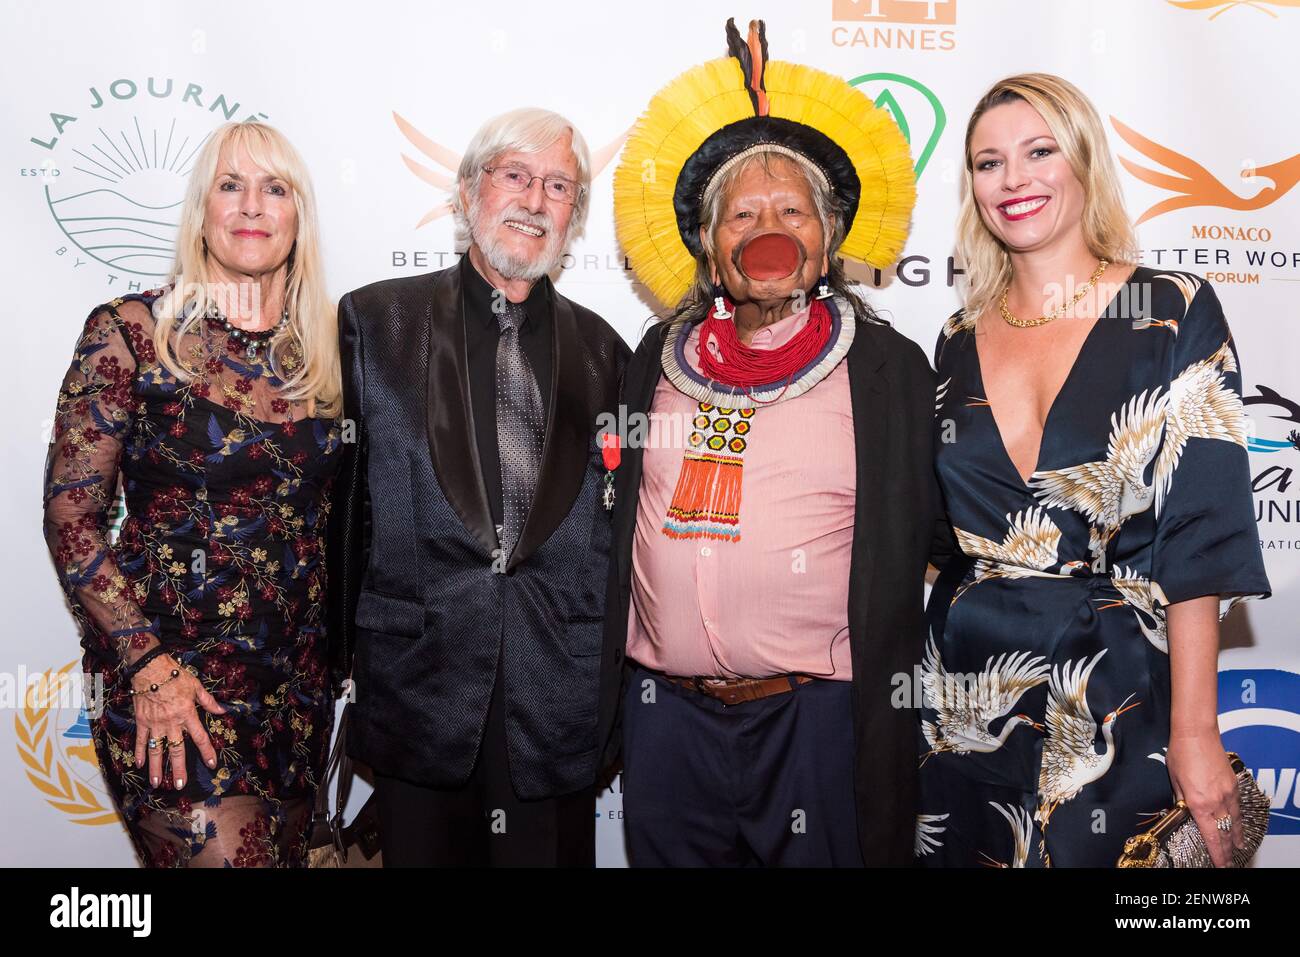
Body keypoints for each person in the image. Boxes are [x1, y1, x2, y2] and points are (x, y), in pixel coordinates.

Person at [606, 18, 947, 866]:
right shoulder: (655, 358)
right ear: (710, 248)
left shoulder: (886, 369)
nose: (769, 230)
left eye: (793, 210)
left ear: (828, 239)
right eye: (744, 214)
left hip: (818, 721)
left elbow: (938, 534)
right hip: (665, 719)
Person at [918, 73, 1271, 867]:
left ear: (1081, 160)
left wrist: (1195, 729)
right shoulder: (955, 336)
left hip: (1121, 688)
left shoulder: (1172, 308)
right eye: (988, 163)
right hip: (968, 694)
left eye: (1038, 151)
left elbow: (1201, 532)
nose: (1013, 180)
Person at [328, 107, 629, 867]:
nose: (535, 199)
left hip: (554, 699)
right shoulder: (374, 322)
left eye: (558, 185)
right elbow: (341, 515)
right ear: (468, 193)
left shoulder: (609, 353)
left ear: (574, 216)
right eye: (516, 176)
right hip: (418, 688)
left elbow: (615, 540)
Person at [42, 120, 342, 867]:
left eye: (275, 189)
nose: (251, 206)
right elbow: (71, 517)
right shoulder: (133, 333)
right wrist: (146, 666)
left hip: (295, 699)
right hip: (173, 694)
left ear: (298, 215)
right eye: (229, 185)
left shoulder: (332, 355)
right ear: (201, 210)